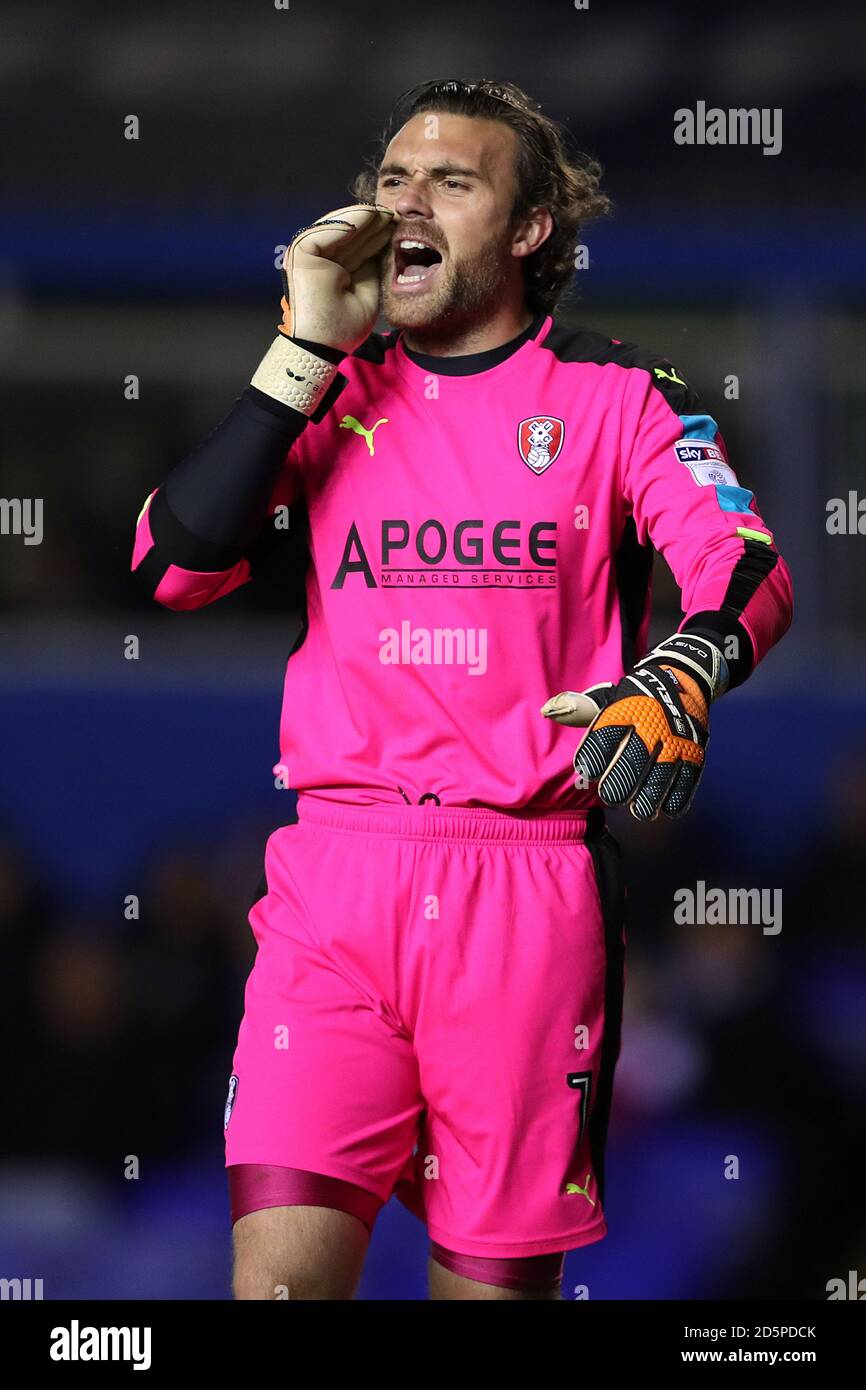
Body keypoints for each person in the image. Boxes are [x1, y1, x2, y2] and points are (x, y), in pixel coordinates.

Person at [131, 78, 793, 1300]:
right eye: (390, 179)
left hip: (527, 896)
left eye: (450, 180)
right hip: (332, 888)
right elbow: (173, 567)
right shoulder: (329, 392)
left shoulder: (619, 396)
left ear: (529, 226)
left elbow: (745, 566)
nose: (404, 201)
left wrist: (685, 666)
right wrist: (302, 347)